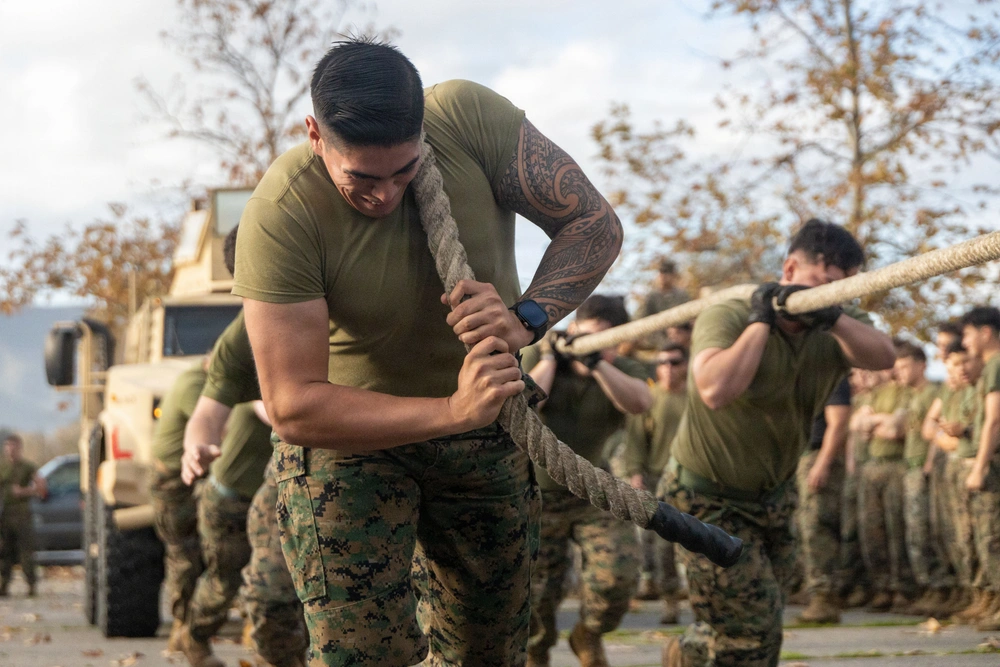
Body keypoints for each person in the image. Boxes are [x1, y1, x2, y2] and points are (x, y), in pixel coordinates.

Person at [232, 38, 625, 666]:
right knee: (361, 656)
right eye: (361, 176)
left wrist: (527, 317)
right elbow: (293, 407)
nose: (385, 195)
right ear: (314, 134)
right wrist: (451, 411)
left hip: (486, 432)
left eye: (405, 170)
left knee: (488, 653)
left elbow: (595, 224)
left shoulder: (469, 120)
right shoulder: (282, 213)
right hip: (351, 444)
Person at [659, 219, 895, 667]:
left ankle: (688, 654)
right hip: (706, 500)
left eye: (843, 289)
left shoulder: (838, 323)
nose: (834, 295)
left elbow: (884, 357)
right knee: (753, 636)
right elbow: (714, 390)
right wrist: (761, 321)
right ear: (790, 268)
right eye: (825, 284)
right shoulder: (729, 312)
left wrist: (833, 314)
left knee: (752, 617)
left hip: (775, 499)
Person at [179, 228, 304, 667]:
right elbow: (210, 416)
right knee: (228, 584)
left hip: (294, 479)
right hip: (231, 495)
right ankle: (193, 639)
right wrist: (195, 447)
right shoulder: (242, 340)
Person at [523, 295, 652, 667]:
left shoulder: (623, 367)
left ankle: (589, 633)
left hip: (592, 493)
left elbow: (640, 403)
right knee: (537, 591)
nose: (598, 344)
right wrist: (551, 356)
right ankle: (536, 650)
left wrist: (598, 364)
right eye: (590, 336)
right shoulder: (545, 360)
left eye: (608, 339)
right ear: (576, 329)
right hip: (537, 493)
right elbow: (529, 399)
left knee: (619, 575)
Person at [624, 343, 689, 623]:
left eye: (674, 362)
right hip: (656, 476)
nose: (668, 368)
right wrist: (635, 472)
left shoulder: (697, 396)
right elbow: (636, 438)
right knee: (659, 545)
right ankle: (669, 599)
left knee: (691, 543)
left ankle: (697, 598)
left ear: (685, 365)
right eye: (662, 362)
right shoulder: (649, 398)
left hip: (689, 478)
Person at [150, 360, 210, 650]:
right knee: (184, 557)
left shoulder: (196, 380)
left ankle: (188, 627)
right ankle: (182, 628)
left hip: (187, 481)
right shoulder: (195, 385)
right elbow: (216, 426)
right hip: (174, 485)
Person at [856, 343, 919, 612]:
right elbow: (858, 426)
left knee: (896, 530)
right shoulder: (877, 394)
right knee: (872, 531)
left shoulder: (906, 394)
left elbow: (896, 430)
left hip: (895, 466)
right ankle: (881, 588)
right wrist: (879, 422)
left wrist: (875, 423)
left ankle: (902, 589)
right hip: (872, 466)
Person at [921, 341, 976, 617]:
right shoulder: (947, 391)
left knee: (975, 533)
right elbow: (929, 428)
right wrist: (946, 440)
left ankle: (979, 593)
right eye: (951, 364)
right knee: (952, 532)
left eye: (960, 362)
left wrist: (949, 440)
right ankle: (970, 593)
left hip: (968, 463)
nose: (955, 369)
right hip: (951, 464)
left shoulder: (974, 389)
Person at [896, 343, 948, 616]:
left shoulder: (933, 393)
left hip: (924, 469)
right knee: (913, 532)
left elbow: (937, 429)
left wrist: (929, 463)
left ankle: (938, 588)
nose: (900, 372)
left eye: (905, 366)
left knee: (926, 530)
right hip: (909, 465)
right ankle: (926, 588)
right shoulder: (910, 396)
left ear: (921, 365)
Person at [795, 376, 851, 624]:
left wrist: (822, 463)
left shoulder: (832, 377)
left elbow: (838, 423)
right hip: (804, 456)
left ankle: (825, 598)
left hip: (819, 457)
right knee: (804, 528)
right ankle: (815, 591)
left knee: (817, 528)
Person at [959, 307, 1000, 631]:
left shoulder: (996, 364)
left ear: (986, 332)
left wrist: (980, 466)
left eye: (968, 333)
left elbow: (994, 420)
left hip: (994, 462)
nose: (965, 341)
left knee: (993, 537)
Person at [0, 434, 44, 597]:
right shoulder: (3, 467)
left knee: (26, 551)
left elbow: (41, 488)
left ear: (19, 448)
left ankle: (31, 585)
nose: (10, 449)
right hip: (5, 515)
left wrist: (24, 491)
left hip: (22, 514)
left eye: (13, 446)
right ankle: (4, 585)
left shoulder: (28, 467)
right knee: (4, 551)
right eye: (7, 446)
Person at [637, 259, 691, 350]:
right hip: (658, 338)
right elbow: (642, 319)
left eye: (666, 273)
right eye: (661, 273)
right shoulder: (652, 297)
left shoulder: (682, 295)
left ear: (673, 275)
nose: (663, 276)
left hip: (681, 338)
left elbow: (689, 320)